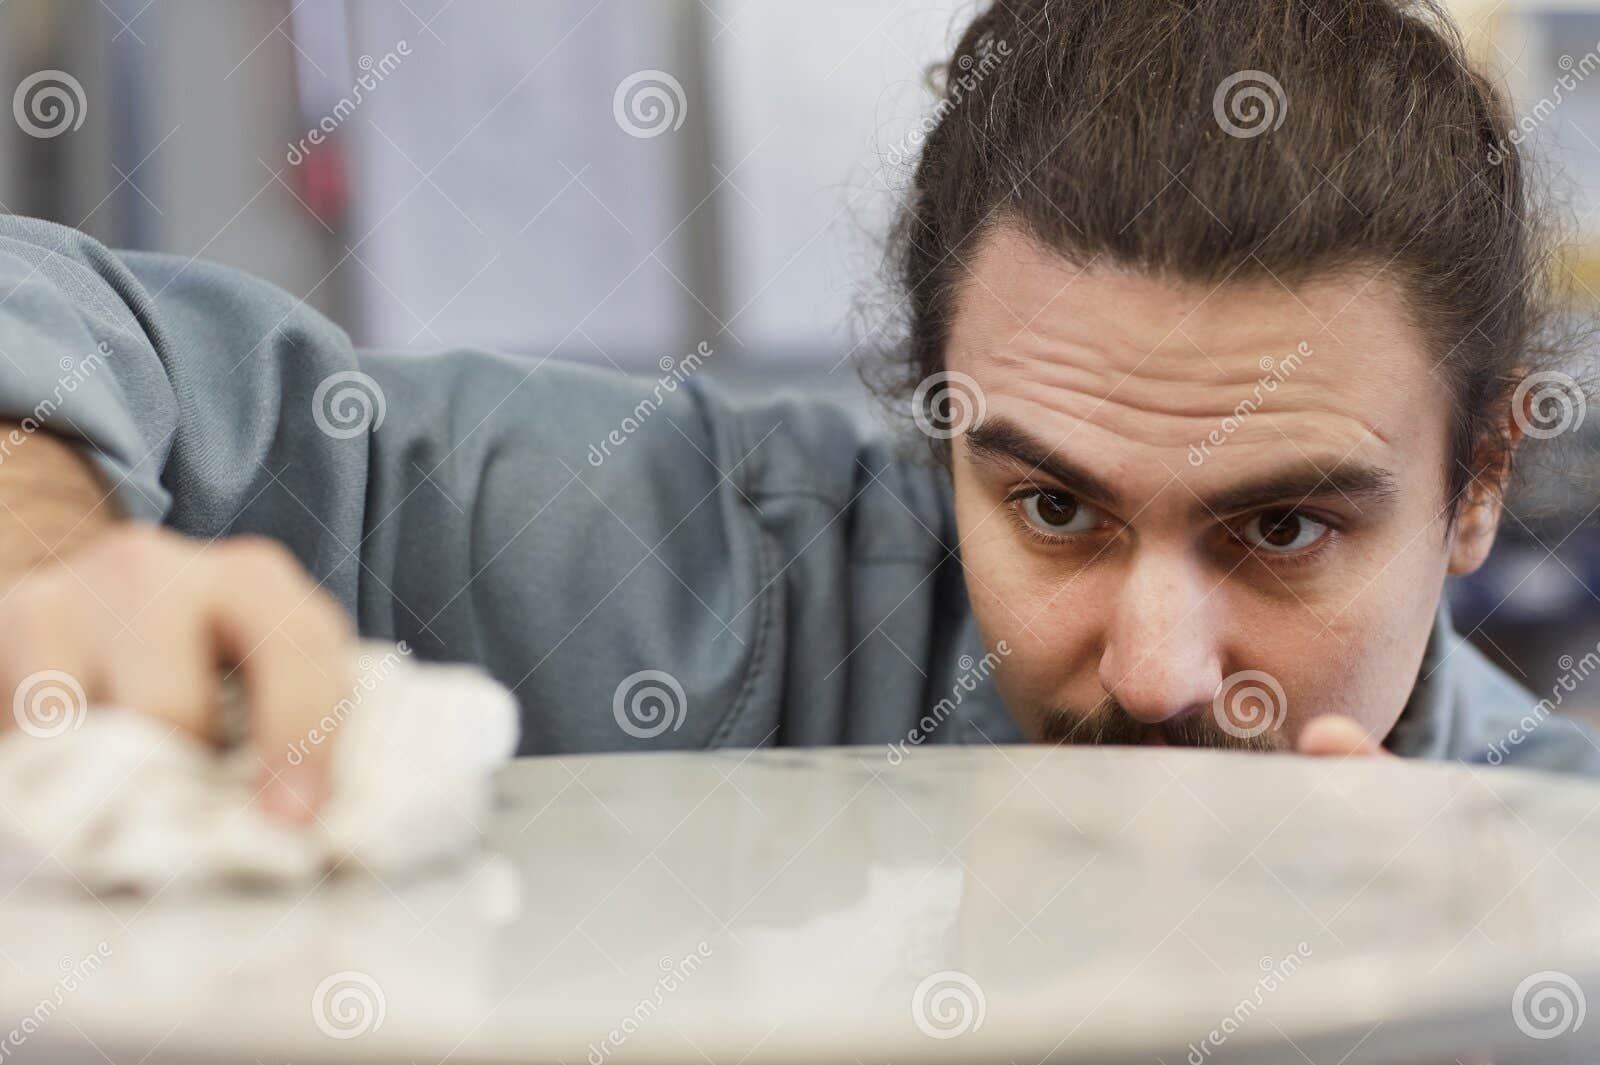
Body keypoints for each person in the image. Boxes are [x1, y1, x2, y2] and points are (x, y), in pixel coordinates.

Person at [1, 0, 1596, 823]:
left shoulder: (1552, 901)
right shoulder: (733, 565)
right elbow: (74, 310)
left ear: (1476, 484)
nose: (1159, 670)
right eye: (1053, 507)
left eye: (1285, 526)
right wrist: (44, 562)